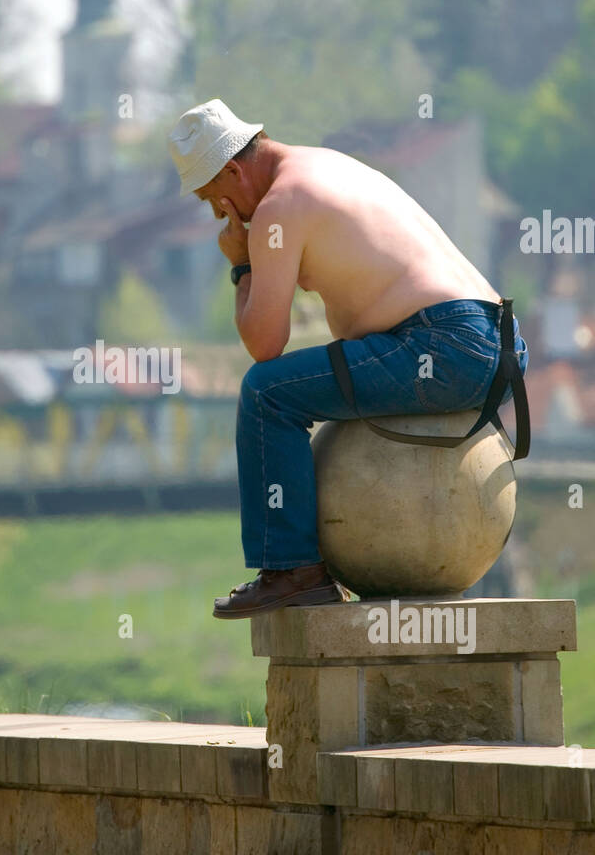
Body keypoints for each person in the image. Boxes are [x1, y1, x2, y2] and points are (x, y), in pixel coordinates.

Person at [167, 99, 529, 618]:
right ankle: (295, 569)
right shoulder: (328, 166)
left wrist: (241, 265)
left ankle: (291, 571)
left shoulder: (277, 208)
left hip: (444, 347)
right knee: (287, 384)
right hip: (500, 344)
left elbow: (264, 345)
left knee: (266, 392)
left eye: (214, 198)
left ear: (232, 171)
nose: (219, 213)